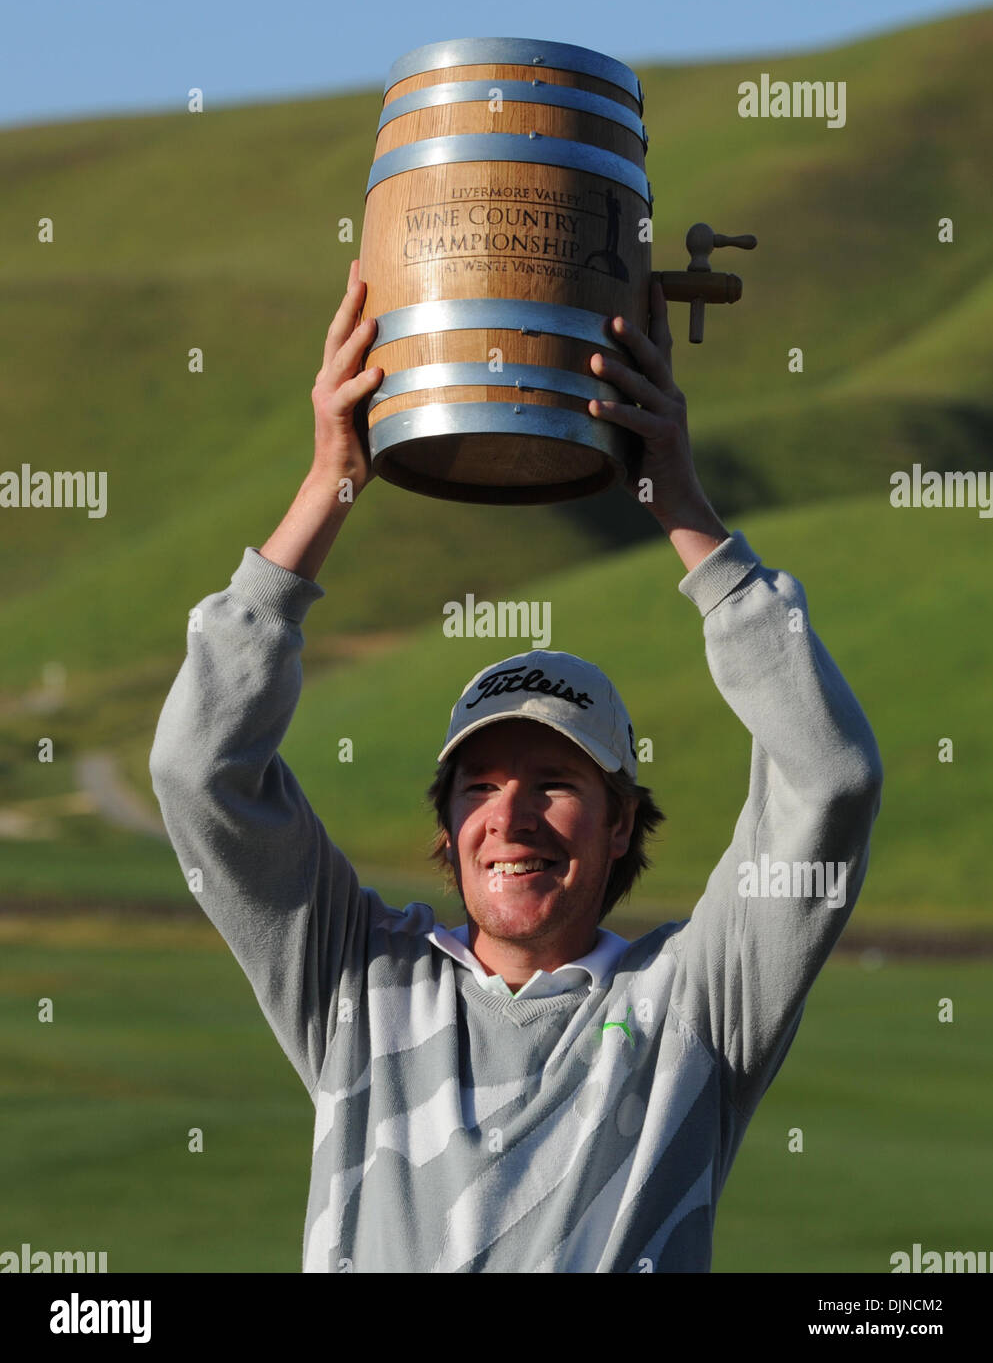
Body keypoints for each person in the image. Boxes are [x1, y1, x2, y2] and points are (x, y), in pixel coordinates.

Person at [149, 261, 883, 1272]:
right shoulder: (361, 981)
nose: (512, 817)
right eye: (481, 787)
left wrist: (680, 505)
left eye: (555, 783)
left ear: (620, 824)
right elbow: (198, 769)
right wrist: (330, 482)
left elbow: (829, 779)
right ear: (447, 827)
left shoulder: (695, 1002)